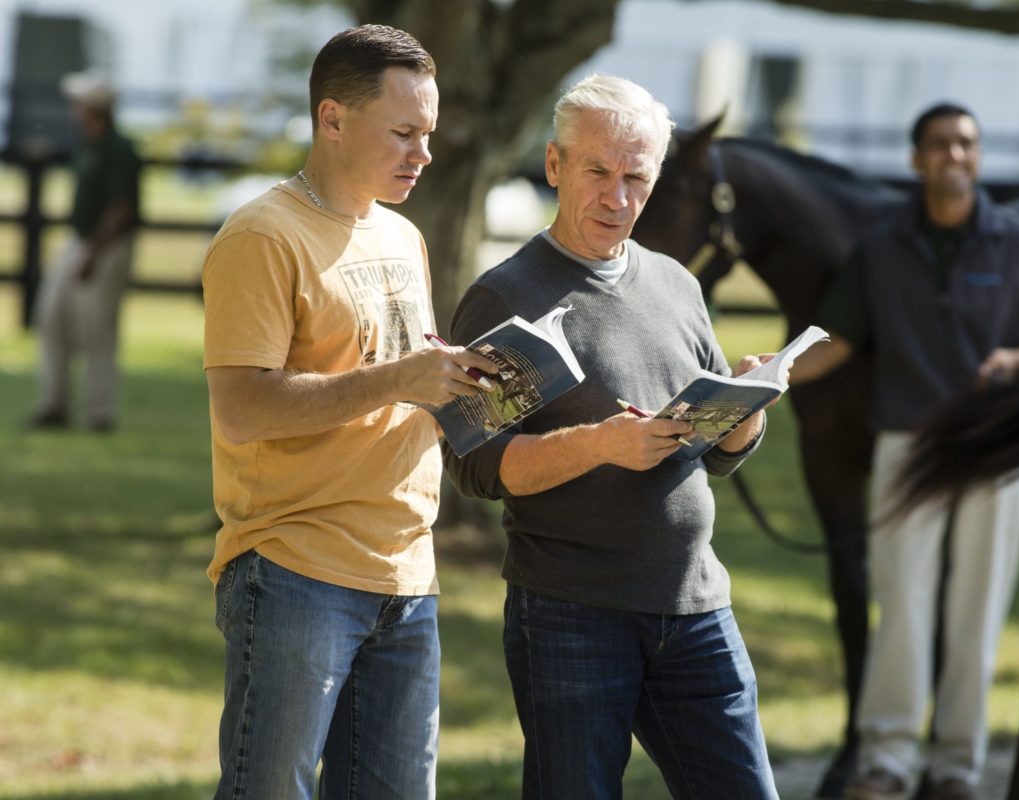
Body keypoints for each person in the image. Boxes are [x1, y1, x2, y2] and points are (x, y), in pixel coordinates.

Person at [443, 74, 780, 799]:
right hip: (572, 612)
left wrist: (743, 414)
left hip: (696, 606)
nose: (616, 197)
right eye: (597, 171)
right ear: (556, 165)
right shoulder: (509, 296)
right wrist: (598, 445)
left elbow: (715, 452)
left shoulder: (675, 284)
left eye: (636, 177)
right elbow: (476, 467)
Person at [201, 25, 496, 800]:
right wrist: (399, 378)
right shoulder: (263, 236)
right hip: (295, 568)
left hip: (407, 570)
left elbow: (406, 383)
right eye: (403, 132)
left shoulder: (403, 234)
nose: (422, 154)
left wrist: (476, 390)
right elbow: (242, 408)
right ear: (332, 119)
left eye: (427, 134)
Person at [786, 102, 1019, 800]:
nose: (955, 155)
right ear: (917, 160)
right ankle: (886, 760)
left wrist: (1017, 357)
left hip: (994, 446)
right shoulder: (881, 247)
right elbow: (841, 338)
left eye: (967, 144)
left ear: (978, 157)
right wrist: (775, 370)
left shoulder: (1018, 240)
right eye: (940, 145)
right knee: (902, 604)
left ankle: (956, 768)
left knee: (978, 611)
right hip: (907, 443)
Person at [29, 69, 140, 432]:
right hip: (78, 241)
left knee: (96, 329)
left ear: (93, 107)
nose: (73, 109)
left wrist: (94, 251)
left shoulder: (118, 148)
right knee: (52, 320)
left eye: (78, 103)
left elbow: (121, 205)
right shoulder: (88, 145)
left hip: (103, 246)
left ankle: (100, 413)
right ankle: (54, 405)